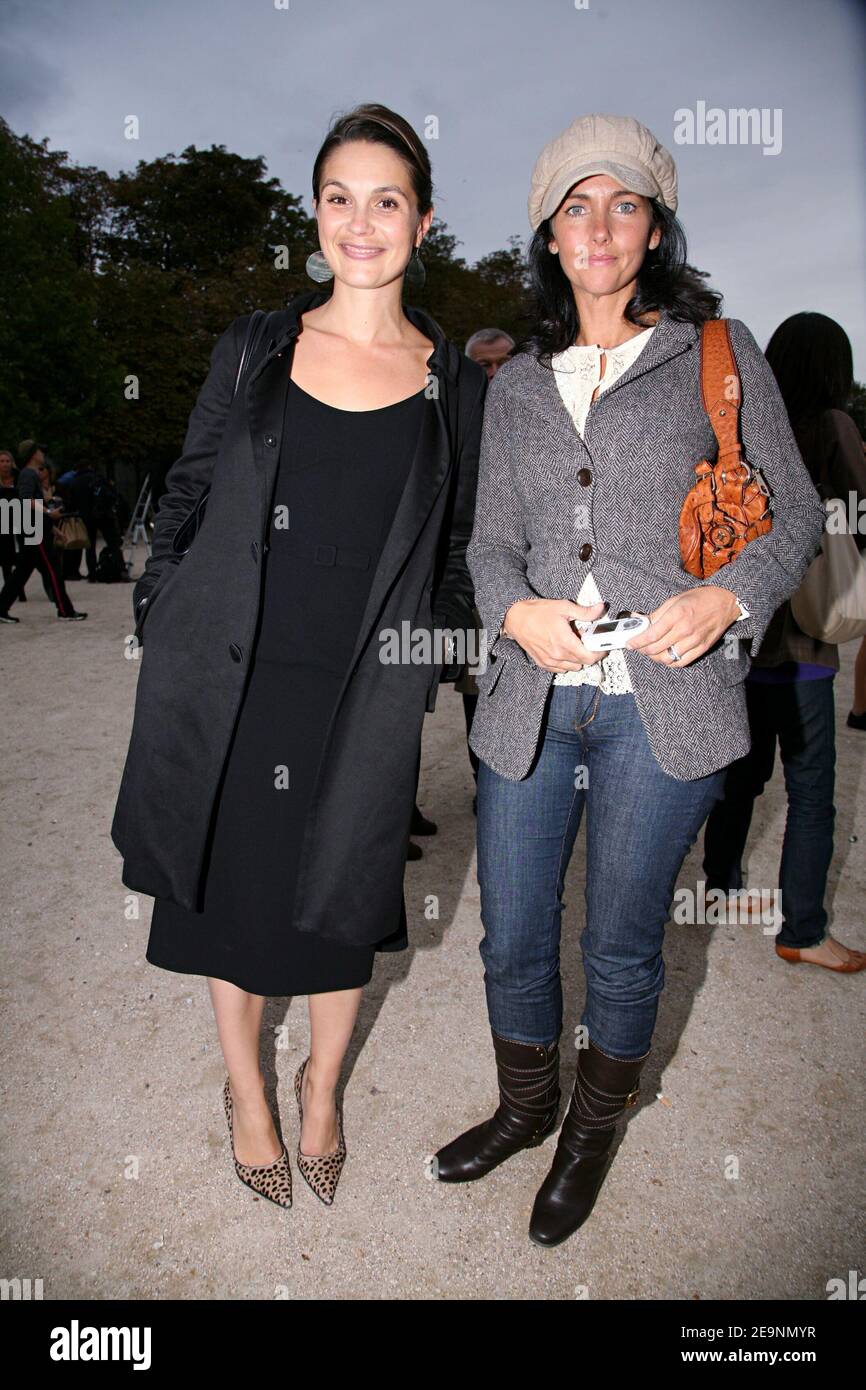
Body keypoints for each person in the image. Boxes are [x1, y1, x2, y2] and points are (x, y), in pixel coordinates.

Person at [428, 113, 827, 1249]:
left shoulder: (717, 348)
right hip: (531, 701)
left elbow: (791, 508)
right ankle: (523, 1104)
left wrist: (725, 598)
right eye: (573, 207)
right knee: (509, 931)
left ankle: (591, 1131)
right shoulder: (510, 386)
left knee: (618, 942)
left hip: (666, 701)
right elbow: (487, 541)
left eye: (622, 205)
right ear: (547, 236)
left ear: (652, 228)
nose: (597, 227)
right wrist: (513, 609)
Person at [110, 104, 484, 1210]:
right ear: (312, 213)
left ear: (422, 221)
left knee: (340, 896)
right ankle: (245, 1089)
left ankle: (321, 1085)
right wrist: (163, 598)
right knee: (234, 892)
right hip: (232, 676)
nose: (359, 221)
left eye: (385, 199)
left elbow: (459, 551)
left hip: (361, 691)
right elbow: (184, 491)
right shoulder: (255, 346)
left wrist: (426, 660)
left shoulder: (452, 382)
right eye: (338, 197)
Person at [702, 313, 866, 973]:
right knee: (811, 787)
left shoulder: (746, 423)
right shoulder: (832, 426)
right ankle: (802, 927)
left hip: (740, 632)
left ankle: (719, 889)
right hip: (801, 644)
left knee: (739, 778)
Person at [458, 329, 516, 811]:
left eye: (503, 362)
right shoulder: (456, 421)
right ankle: (489, 784)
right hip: (475, 579)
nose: (494, 374)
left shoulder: (541, 412)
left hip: (536, 576)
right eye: (483, 365)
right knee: (479, 682)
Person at [0, 441, 87, 622]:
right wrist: (49, 513)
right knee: (52, 570)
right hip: (34, 531)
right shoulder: (28, 474)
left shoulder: (27, 474)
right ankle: (65, 610)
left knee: (22, 572)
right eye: (40, 451)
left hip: (33, 529)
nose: (42, 454)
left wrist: (52, 527)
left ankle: (1, 608)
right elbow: (25, 500)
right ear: (33, 454)